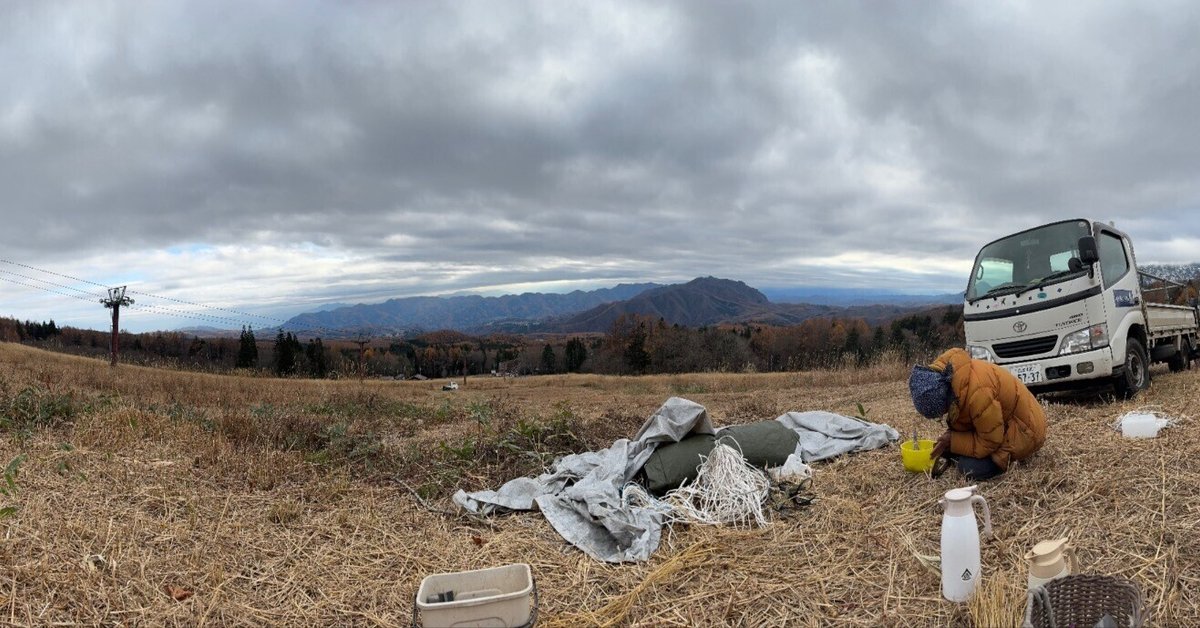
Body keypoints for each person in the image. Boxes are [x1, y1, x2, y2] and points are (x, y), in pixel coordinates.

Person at [908, 347, 1047, 480]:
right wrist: (950, 440)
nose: (943, 415)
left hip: (1025, 430)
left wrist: (953, 440)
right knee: (946, 449)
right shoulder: (954, 378)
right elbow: (971, 419)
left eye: (941, 412)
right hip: (999, 424)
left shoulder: (979, 393)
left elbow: (990, 441)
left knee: (969, 468)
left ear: (946, 398)